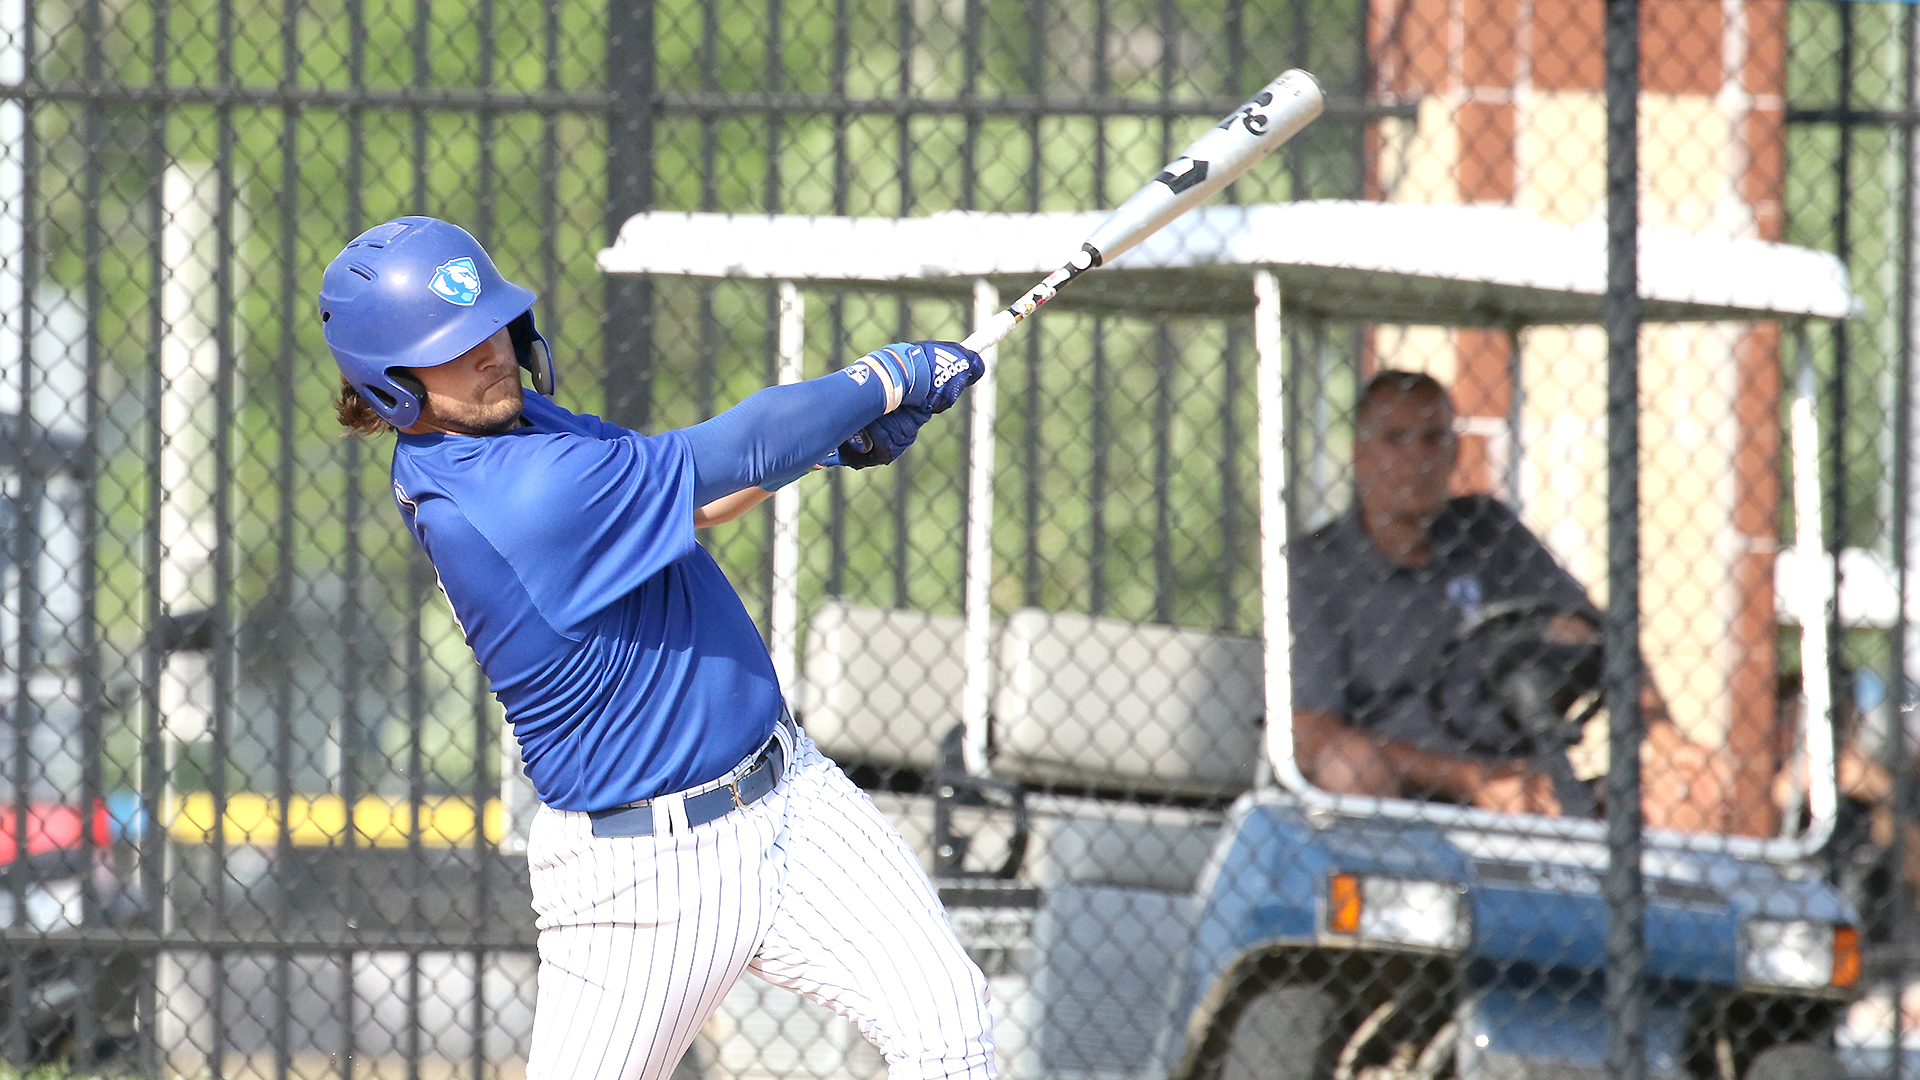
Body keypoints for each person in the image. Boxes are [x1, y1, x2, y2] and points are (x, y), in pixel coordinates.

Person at [320, 216, 996, 1080]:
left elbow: (698, 498)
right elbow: (732, 448)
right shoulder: (503, 497)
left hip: (794, 800)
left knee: (948, 1026)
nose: (489, 354)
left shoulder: (517, 430)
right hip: (644, 876)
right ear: (390, 387)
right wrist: (883, 380)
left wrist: (827, 447)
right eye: (452, 349)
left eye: (492, 326)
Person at [1288, 370, 1728, 830]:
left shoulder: (1489, 531)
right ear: (1360, 455)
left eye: (1433, 439)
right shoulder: (1315, 567)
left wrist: (1664, 735)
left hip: (1526, 782)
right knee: (1348, 764)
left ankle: (1628, 877)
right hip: (1402, 795)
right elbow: (1311, 732)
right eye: (1395, 440)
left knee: (1692, 785)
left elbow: (1591, 633)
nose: (1417, 458)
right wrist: (1474, 780)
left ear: (1456, 452)